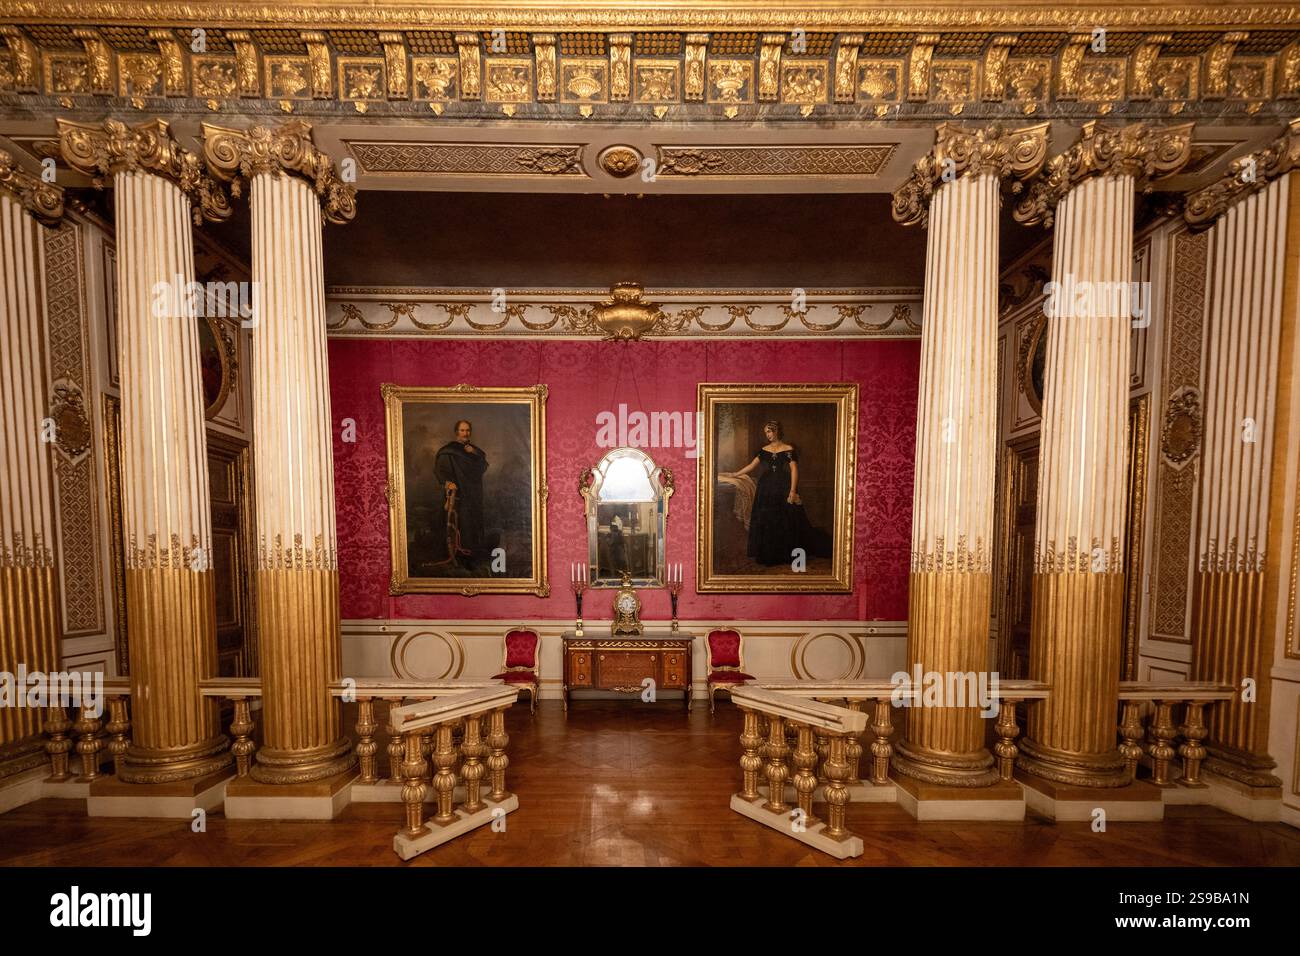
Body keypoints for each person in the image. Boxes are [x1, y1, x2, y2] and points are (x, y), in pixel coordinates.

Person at [723, 420, 831, 567]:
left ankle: (786, 553)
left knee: (787, 517)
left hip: (783, 485)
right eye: (766, 432)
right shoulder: (764, 450)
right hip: (766, 487)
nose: (768, 435)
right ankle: (770, 553)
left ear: (777, 431)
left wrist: (792, 491)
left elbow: (794, 470)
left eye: (770, 431)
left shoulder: (788, 449)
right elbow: (751, 466)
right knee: (768, 518)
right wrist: (736, 474)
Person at [433, 419, 490, 566]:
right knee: (459, 521)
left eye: (468, 430)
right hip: (458, 493)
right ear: (456, 432)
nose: (465, 433)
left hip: (474, 493)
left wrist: (475, 453)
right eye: (462, 430)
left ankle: (472, 553)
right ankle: (456, 553)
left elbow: (483, 466)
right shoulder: (448, 450)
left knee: (473, 521)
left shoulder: (474, 450)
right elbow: (440, 470)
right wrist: (447, 482)